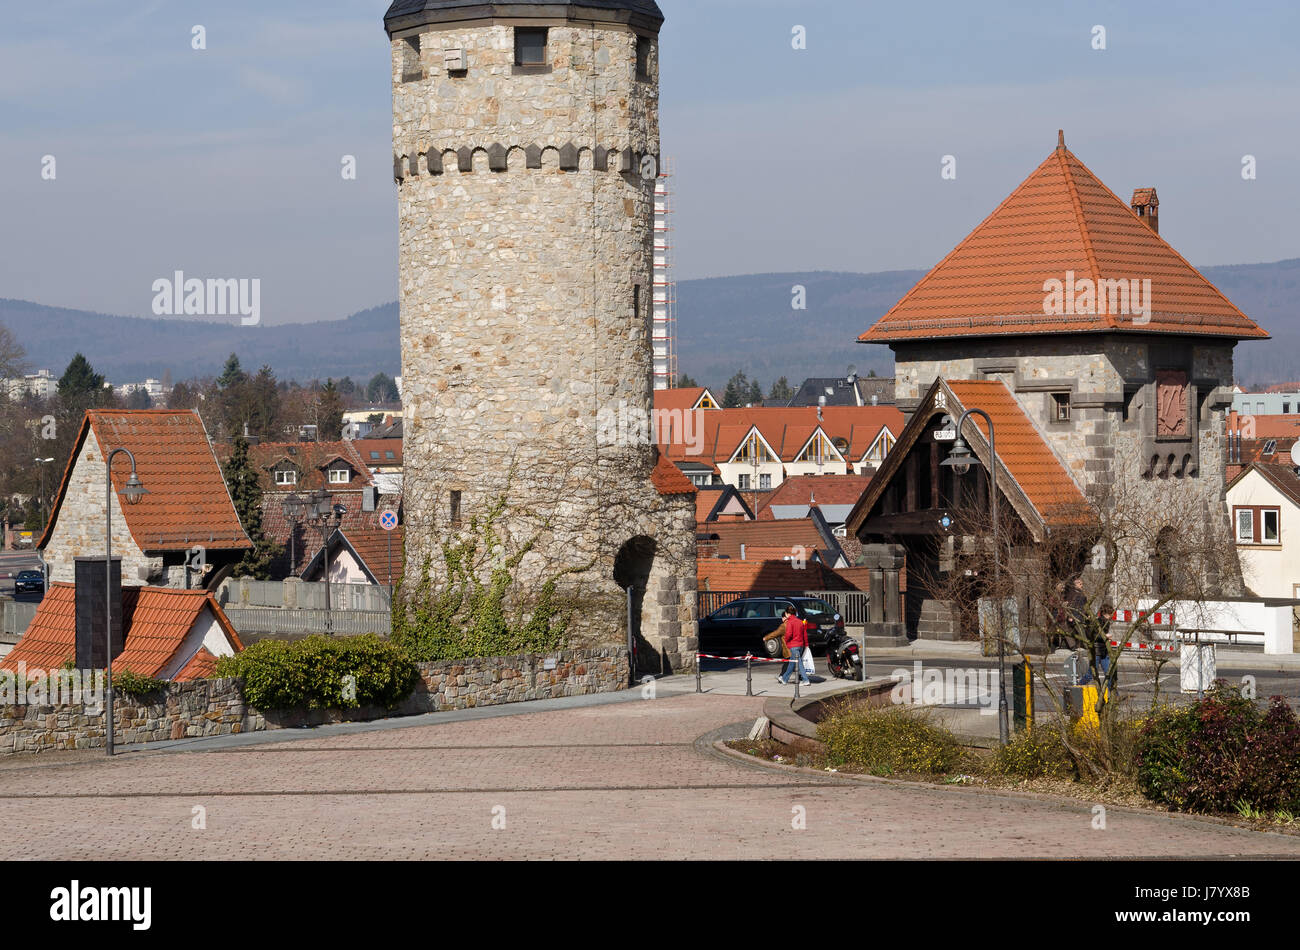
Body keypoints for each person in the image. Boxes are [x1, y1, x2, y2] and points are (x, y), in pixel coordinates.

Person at [776, 605, 810, 687]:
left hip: (793, 646)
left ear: (787, 614)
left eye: (786, 614)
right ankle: (784, 678)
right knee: (792, 663)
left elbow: (788, 634)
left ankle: (805, 680)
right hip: (801, 645)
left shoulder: (790, 622)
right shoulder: (800, 622)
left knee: (799, 663)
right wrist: (806, 645)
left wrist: (787, 642)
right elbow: (804, 634)